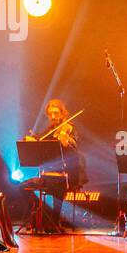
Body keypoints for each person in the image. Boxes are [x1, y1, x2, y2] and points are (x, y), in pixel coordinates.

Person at [23, 99, 87, 232]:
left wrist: (66, 141)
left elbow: (74, 148)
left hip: (68, 173)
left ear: (63, 113)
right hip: (50, 173)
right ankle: (37, 219)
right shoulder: (51, 129)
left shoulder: (69, 127)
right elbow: (41, 138)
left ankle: (54, 221)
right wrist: (32, 139)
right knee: (23, 186)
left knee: (56, 186)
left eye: (56, 113)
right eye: (50, 114)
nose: (53, 117)